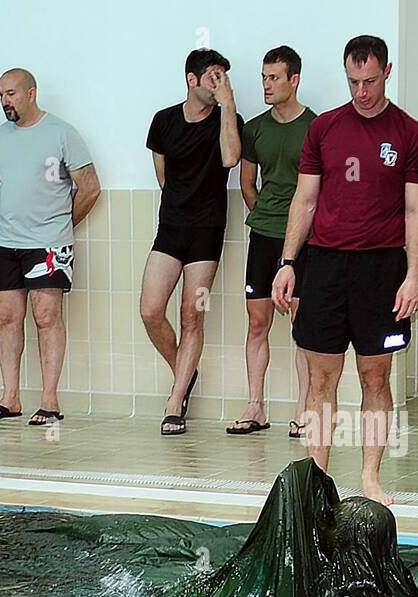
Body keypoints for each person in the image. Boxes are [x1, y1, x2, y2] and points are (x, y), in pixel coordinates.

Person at [271, 35, 418, 504]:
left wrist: (414, 275)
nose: (361, 91)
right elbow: (304, 201)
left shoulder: (409, 134)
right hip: (325, 264)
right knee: (321, 378)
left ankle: (369, 477)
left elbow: (416, 212)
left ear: (387, 71)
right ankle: (318, 480)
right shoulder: (324, 129)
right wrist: (287, 263)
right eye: (353, 81)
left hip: (382, 269)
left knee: (375, 378)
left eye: (369, 80)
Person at [0, 68, 100, 426]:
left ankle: (49, 400)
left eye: (12, 94)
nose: (5, 101)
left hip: (49, 243)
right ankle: (10, 397)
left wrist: (61, 226)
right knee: (6, 317)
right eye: (1, 94)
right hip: (6, 241)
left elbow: (90, 188)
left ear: (32, 93)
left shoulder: (61, 133)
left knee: (46, 317)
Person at [141, 49, 243, 436]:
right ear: (192, 79)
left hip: (206, 234)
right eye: (214, 77)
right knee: (151, 310)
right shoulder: (164, 121)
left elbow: (231, 158)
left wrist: (229, 104)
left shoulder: (228, 120)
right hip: (170, 229)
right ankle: (185, 370)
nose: (219, 84)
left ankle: (175, 398)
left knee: (191, 314)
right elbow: (163, 175)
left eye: (224, 77)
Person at [231, 45, 316, 438]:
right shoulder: (254, 129)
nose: (266, 85)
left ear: (293, 80)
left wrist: (295, 229)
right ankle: (256, 406)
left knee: (302, 324)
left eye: (274, 78)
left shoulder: (316, 128)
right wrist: (264, 215)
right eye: (263, 77)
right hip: (262, 236)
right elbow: (248, 183)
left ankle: (303, 411)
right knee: (257, 322)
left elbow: (319, 192)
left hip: (302, 242)